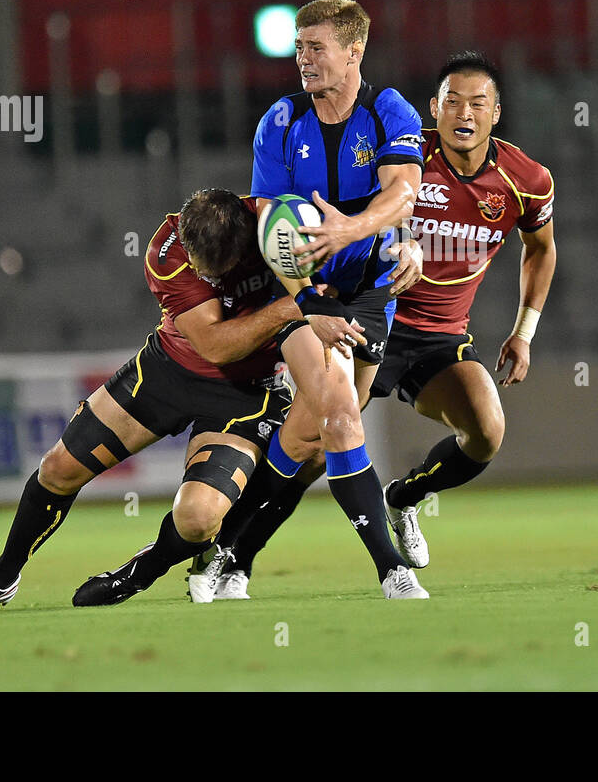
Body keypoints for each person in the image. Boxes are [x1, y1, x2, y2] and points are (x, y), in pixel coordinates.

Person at [190, 50, 556, 600]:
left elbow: (541, 248)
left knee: (486, 430)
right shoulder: (402, 149)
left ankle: (403, 498)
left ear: (496, 112)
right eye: (451, 100)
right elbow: (356, 203)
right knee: (316, 443)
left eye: (478, 103)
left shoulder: (525, 179)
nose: (464, 112)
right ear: (433, 107)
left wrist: (523, 331)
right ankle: (236, 557)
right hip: (366, 311)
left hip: (438, 338)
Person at [0, 189, 342, 610]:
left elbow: (348, 245)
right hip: (167, 372)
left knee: (198, 519)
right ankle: (1, 577)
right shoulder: (167, 251)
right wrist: (295, 305)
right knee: (57, 469)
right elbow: (216, 347)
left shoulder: (278, 226)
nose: (211, 279)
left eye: (221, 272)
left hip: (247, 395)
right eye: (204, 271)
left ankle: (143, 570)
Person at [234, 0, 430, 599]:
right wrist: (306, 300)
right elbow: (270, 220)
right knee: (342, 416)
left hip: (371, 293)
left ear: (354, 51)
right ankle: (390, 569)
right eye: (298, 47)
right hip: (301, 293)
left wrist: (355, 230)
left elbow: (404, 194)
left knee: (308, 437)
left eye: (315, 47)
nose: (303, 59)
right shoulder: (281, 121)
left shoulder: (388, 110)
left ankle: (231, 554)